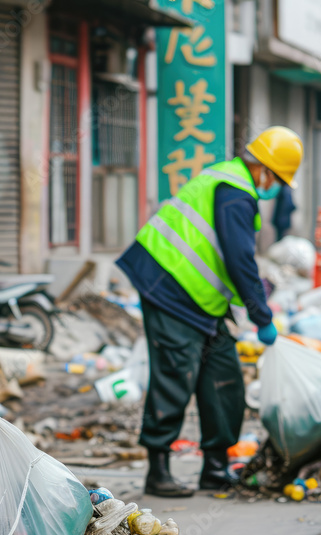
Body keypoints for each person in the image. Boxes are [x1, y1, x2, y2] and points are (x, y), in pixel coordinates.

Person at [117, 126, 304, 497]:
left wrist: (250, 301)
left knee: (224, 377)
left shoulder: (233, 184)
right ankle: (158, 470)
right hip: (168, 286)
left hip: (199, 299)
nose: (276, 190)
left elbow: (227, 258)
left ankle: (215, 467)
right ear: (264, 170)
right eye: (278, 181)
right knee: (175, 375)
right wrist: (261, 315)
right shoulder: (234, 191)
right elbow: (239, 260)